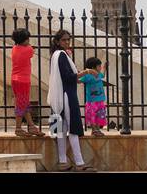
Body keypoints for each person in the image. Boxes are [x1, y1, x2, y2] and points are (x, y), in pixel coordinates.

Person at [47, 30, 92, 170]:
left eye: (68, 40)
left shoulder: (55, 55)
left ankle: (62, 161)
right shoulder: (61, 55)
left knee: (60, 130)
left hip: (56, 98)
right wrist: (86, 72)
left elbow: (65, 77)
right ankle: (79, 163)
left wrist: (80, 77)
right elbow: (68, 77)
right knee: (73, 128)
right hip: (66, 96)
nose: (67, 42)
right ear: (57, 42)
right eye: (64, 40)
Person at [10, 28, 41, 137]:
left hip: (15, 79)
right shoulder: (28, 50)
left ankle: (32, 126)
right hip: (23, 80)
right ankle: (18, 128)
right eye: (27, 39)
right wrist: (31, 47)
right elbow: (32, 51)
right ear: (24, 40)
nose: (29, 40)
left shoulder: (14, 48)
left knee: (23, 103)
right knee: (21, 105)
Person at [79, 56, 109, 136]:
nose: (100, 67)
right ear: (93, 67)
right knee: (93, 115)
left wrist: (104, 67)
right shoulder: (87, 76)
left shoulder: (99, 74)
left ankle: (98, 129)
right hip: (92, 100)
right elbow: (79, 80)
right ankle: (94, 130)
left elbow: (103, 75)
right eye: (99, 66)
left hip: (100, 99)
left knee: (99, 115)